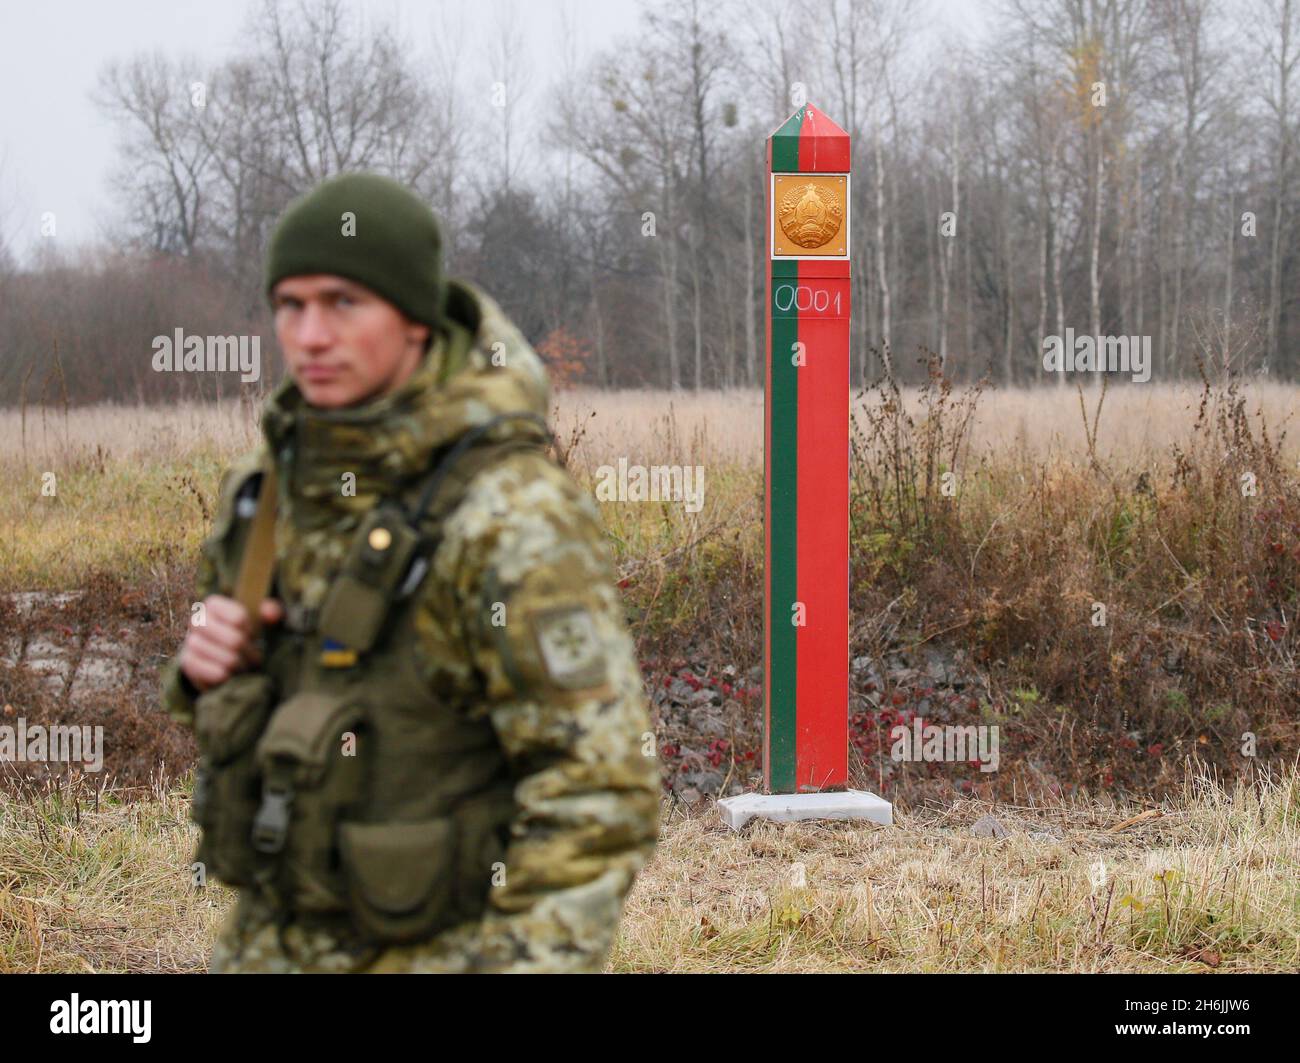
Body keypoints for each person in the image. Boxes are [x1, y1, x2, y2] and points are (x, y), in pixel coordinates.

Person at [159, 172, 660, 973]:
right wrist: (211, 668)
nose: (311, 334)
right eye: (290, 305)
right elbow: (284, 735)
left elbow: (598, 792)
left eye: (343, 302)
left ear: (417, 320)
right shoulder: (269, 488)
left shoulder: (508, 513)